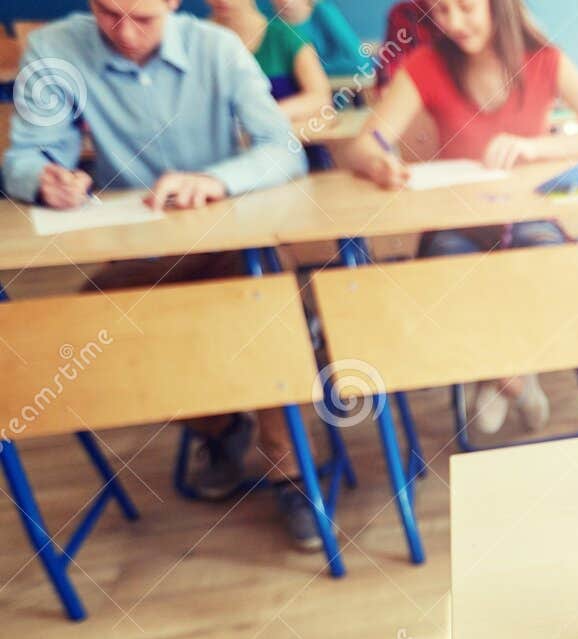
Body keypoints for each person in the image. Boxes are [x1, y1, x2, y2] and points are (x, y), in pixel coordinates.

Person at [1, 0, 320, 549]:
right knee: (83, 335)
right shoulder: (53, 50)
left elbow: (283, 150)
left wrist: (215, 180)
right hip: (137, 256)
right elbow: (23, 157)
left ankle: (290, 474)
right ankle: (218, 427)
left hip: (228, 248)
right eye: (107, 13)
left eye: (143, 17)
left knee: (263, 313)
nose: (124, 33)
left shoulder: (216, 48)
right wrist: (44, 177)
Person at [347, 0, 578, 437]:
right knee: (449, 273)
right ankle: (515, 376)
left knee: (546, 264)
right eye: (441, 11)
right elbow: (366, 143)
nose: (452, 23)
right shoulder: (426, 63)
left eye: (465, 9)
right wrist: (378, 162)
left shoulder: (543, 59)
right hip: (458, 221)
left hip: (529, 215)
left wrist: (536, 148)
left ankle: (500, 373)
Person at [209, 0, 332, 137]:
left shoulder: (286, 36)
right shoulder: (197, 43)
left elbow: (320, 99)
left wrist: (261, 116)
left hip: (289, 144)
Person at [262, 0, 370, 79]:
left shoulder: (324, 12)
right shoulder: (265, 21)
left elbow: (361, 63)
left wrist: (308, 73)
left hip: (332, 100)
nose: (285, 1)